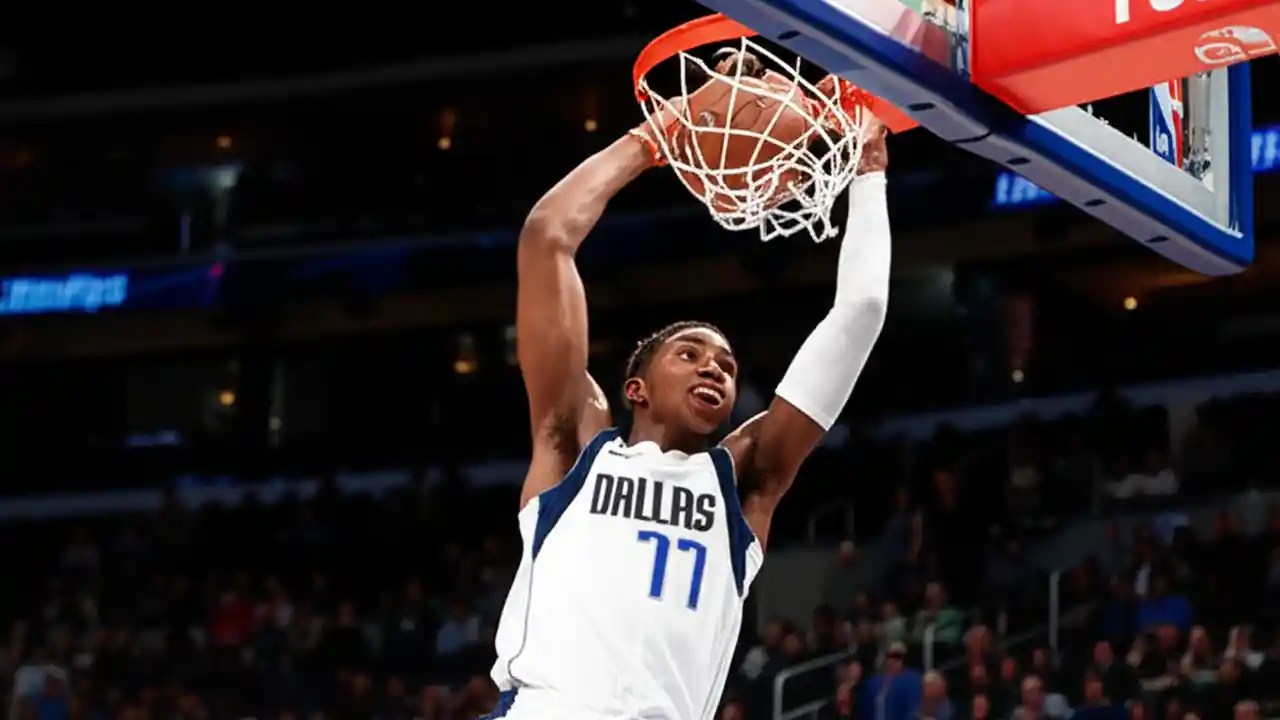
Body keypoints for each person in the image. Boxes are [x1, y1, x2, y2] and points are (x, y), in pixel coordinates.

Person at [486, 71, 894, 720]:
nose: (714, 368)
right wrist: (659, 135)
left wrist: (869, 174)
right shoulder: (575, 446)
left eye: (727, 365)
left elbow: (863, 308)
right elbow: (547, 236)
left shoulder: (745, 478)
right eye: (691, 354)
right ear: (636, 389)